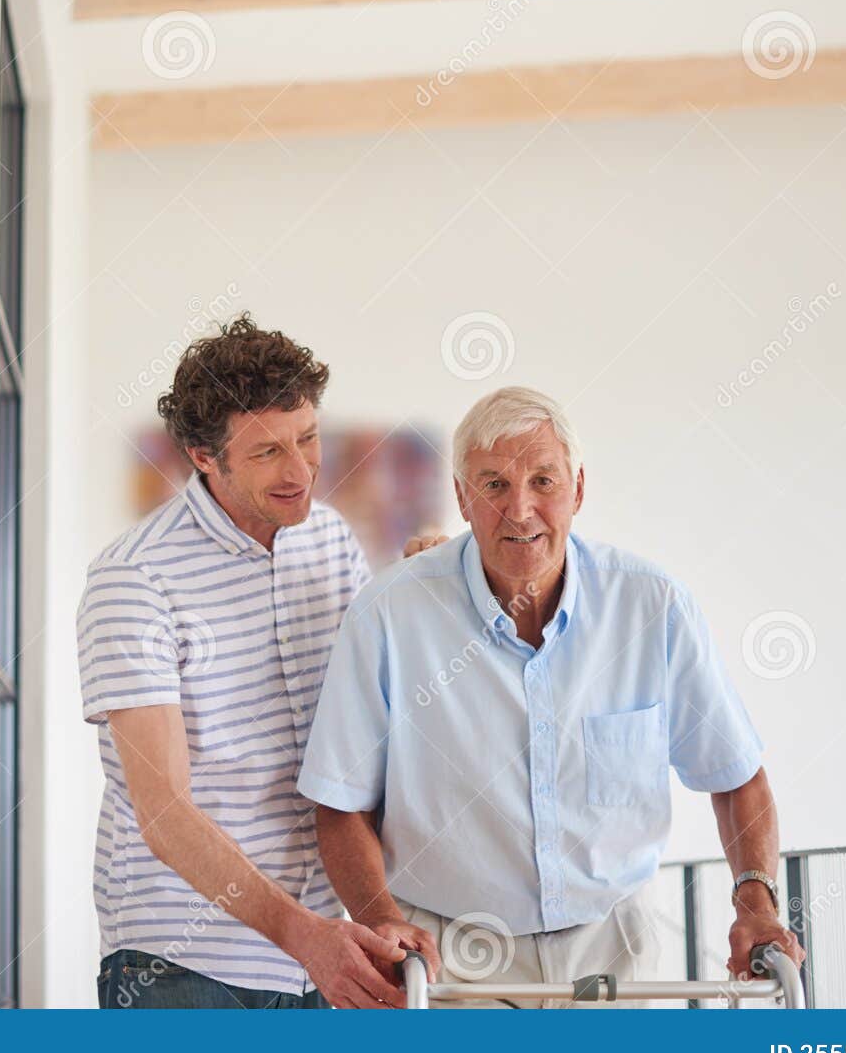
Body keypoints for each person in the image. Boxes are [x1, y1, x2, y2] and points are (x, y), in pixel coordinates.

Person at [299, 386, 805, 1007]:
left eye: (543, 481)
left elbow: (736, 778)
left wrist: (755, 900)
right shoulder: (389, 615)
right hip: (451, 953)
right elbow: (339, 807)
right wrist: (380, 920)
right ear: (461, 495)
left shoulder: (652, 606)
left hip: (615, 945)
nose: (520, 509)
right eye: (493, 485)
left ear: (578, 489)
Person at [77, 313, 432, 1009]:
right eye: (268, 452)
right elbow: (166, 813)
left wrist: (434, 596)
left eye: (307, 438)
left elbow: (366, 730)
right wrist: (306, 936)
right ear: (204, 457)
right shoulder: (134, 580)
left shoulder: (328, 539)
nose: (300, 471)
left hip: (323, 953)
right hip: (184, 963)